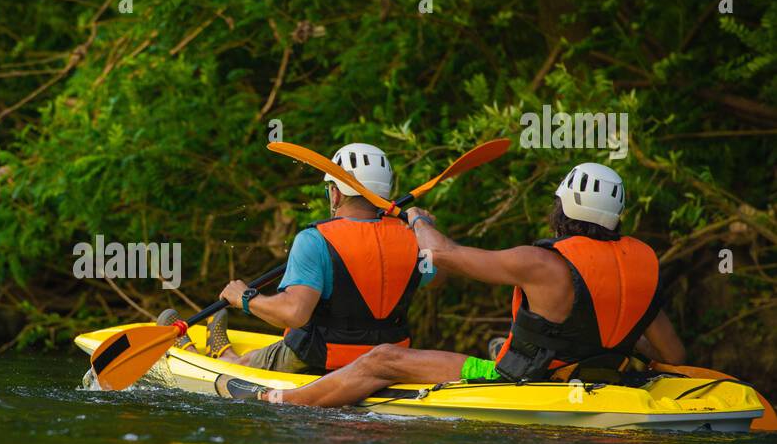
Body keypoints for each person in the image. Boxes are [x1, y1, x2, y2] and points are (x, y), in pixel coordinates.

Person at [247, 161, 686, 405]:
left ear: (562, 208)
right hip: (608, 378)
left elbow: (441, 255)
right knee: (506, 341)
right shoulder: (643, 263)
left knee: (382, 358)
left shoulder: (539, 263)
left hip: (524, 385)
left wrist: (416, 218)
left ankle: (284, 404)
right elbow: (673, 354)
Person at [158, 143, 437, 374]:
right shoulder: (416, 239)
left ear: (336, 192)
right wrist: (426, 230)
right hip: (392, 360)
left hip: (318, 359)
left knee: (245, 364)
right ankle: (222, 347)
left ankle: (222, 357)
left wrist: (244, 297)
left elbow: (294, 313)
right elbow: (431, 277)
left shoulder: (314, 240)